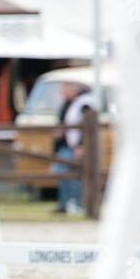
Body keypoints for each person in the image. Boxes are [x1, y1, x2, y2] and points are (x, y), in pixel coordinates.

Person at [51, 80, 96, 215]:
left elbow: (88, 126)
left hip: (77, 146)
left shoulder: (85, 102)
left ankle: (76, 204)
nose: (61, 92)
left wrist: (82, 145)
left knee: (75, 176)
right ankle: (64, 204)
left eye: (65, 88)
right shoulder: (68, 104)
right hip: (67, 145)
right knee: (63, 175)